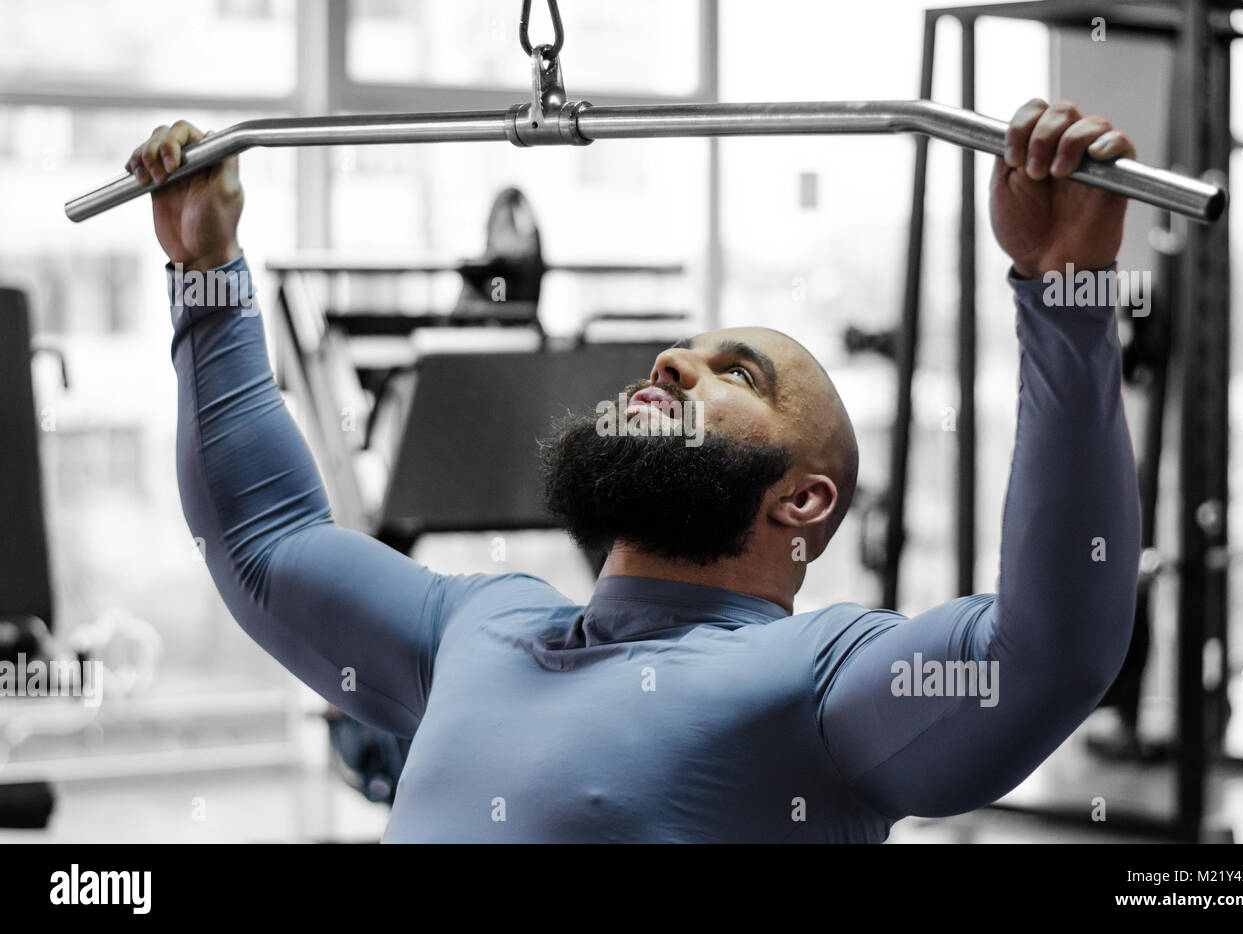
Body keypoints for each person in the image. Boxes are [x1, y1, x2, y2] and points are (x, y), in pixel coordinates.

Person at [128, 98, 1140, 842]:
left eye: (734, 371)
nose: (669, 360)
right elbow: (267, 542)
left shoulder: (818, 682)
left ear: (803, 497)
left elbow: (1049, 649)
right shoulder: (476, 627)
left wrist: (1068, 295)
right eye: (680, 351)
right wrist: (206, 272)